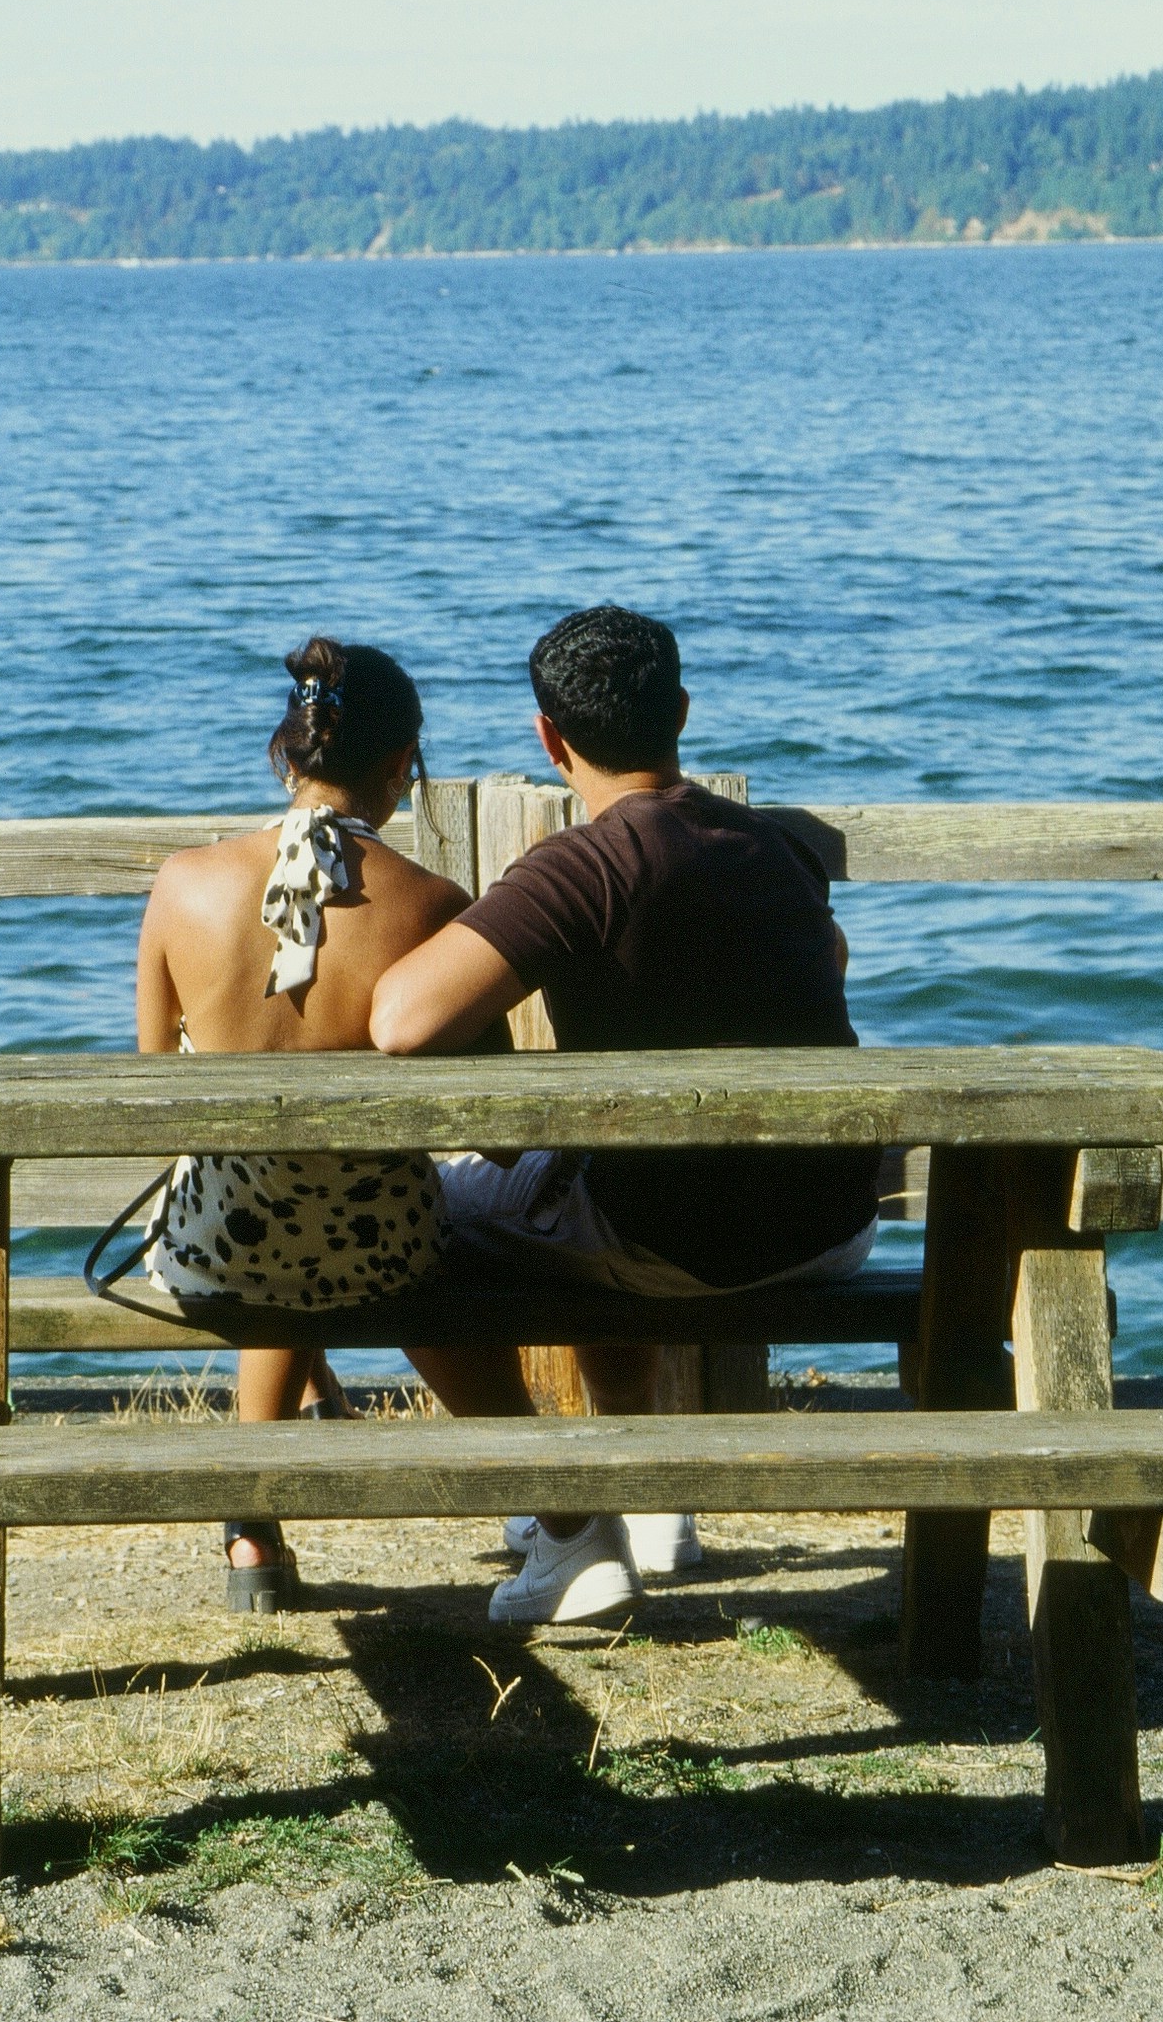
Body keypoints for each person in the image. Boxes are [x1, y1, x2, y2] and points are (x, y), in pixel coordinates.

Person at [370, 602, 879, 1629]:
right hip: (832, 1224)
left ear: (549, 740)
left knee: (397, 1226)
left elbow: (401, 1017)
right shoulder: (774, 848)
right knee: (586, 1185)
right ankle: (650, 1499)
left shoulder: (584, 865)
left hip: (672, 1239)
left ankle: (572, 1532)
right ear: (681, 710)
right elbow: (828, 964)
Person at [123, 633, 471, 1610]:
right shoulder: (436, 903)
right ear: (403, 763)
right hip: (385, 1248)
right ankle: (539, 1498)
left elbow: (154, 1087)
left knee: (265, 1191)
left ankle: (250, 1531)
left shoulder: (180, 882)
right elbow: (475, 1100)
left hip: (213, 1249)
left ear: (288, 747)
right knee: (335, 1193)